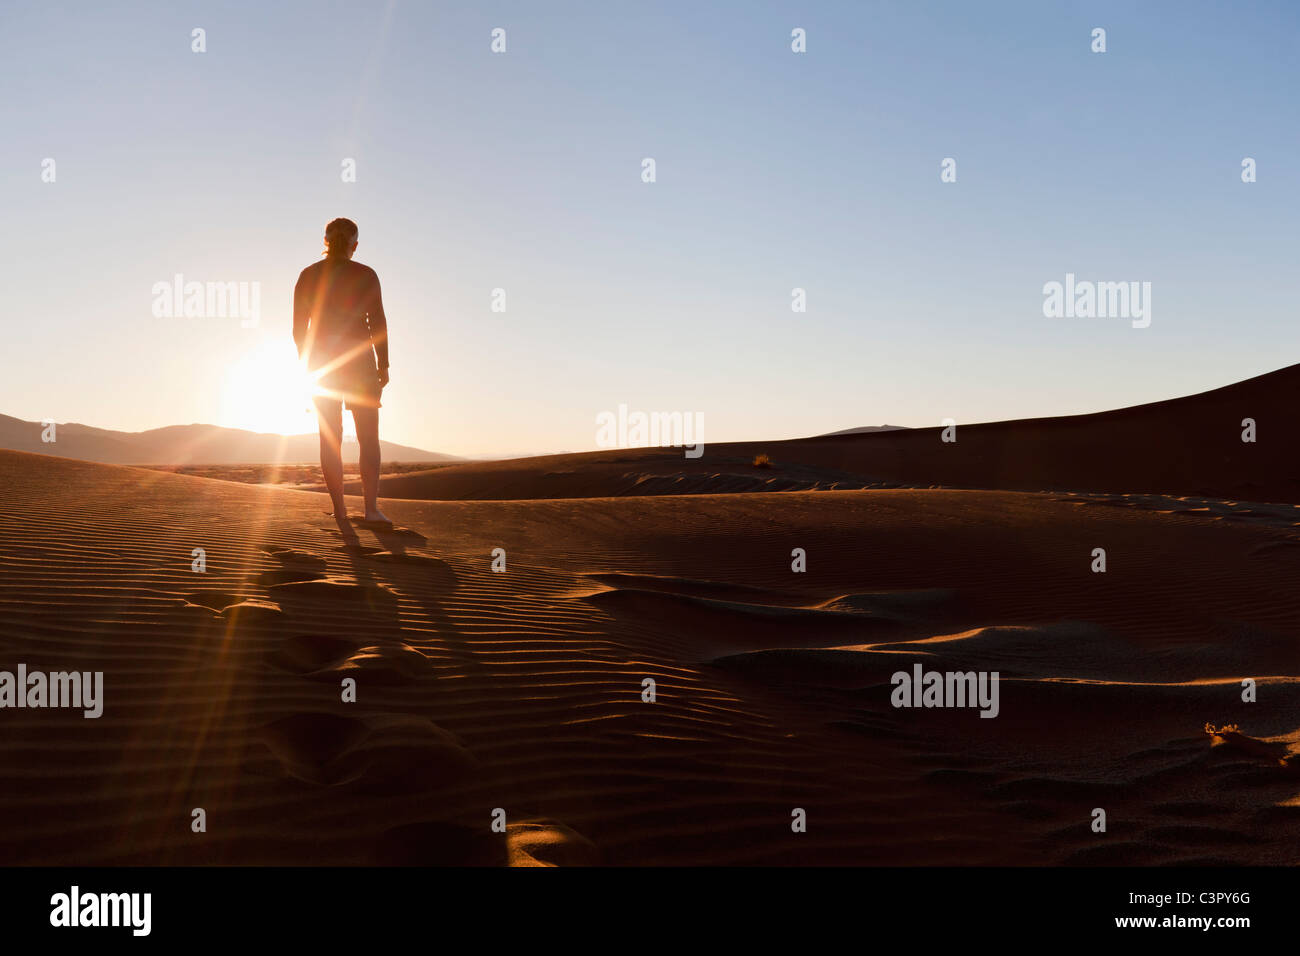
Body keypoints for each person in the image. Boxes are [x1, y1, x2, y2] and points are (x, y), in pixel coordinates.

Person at [292, 217, 391, 523]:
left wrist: (306, 366)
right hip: (360, 364)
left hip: (322, 365)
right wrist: (383, 364)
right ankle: (371, 510)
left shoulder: (308, 275)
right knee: (368, 438)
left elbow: (298, 330)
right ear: (355, 245)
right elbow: (378, 323)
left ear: (325, 241)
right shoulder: (366, 274)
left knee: (330, 438)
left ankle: (340, 510)